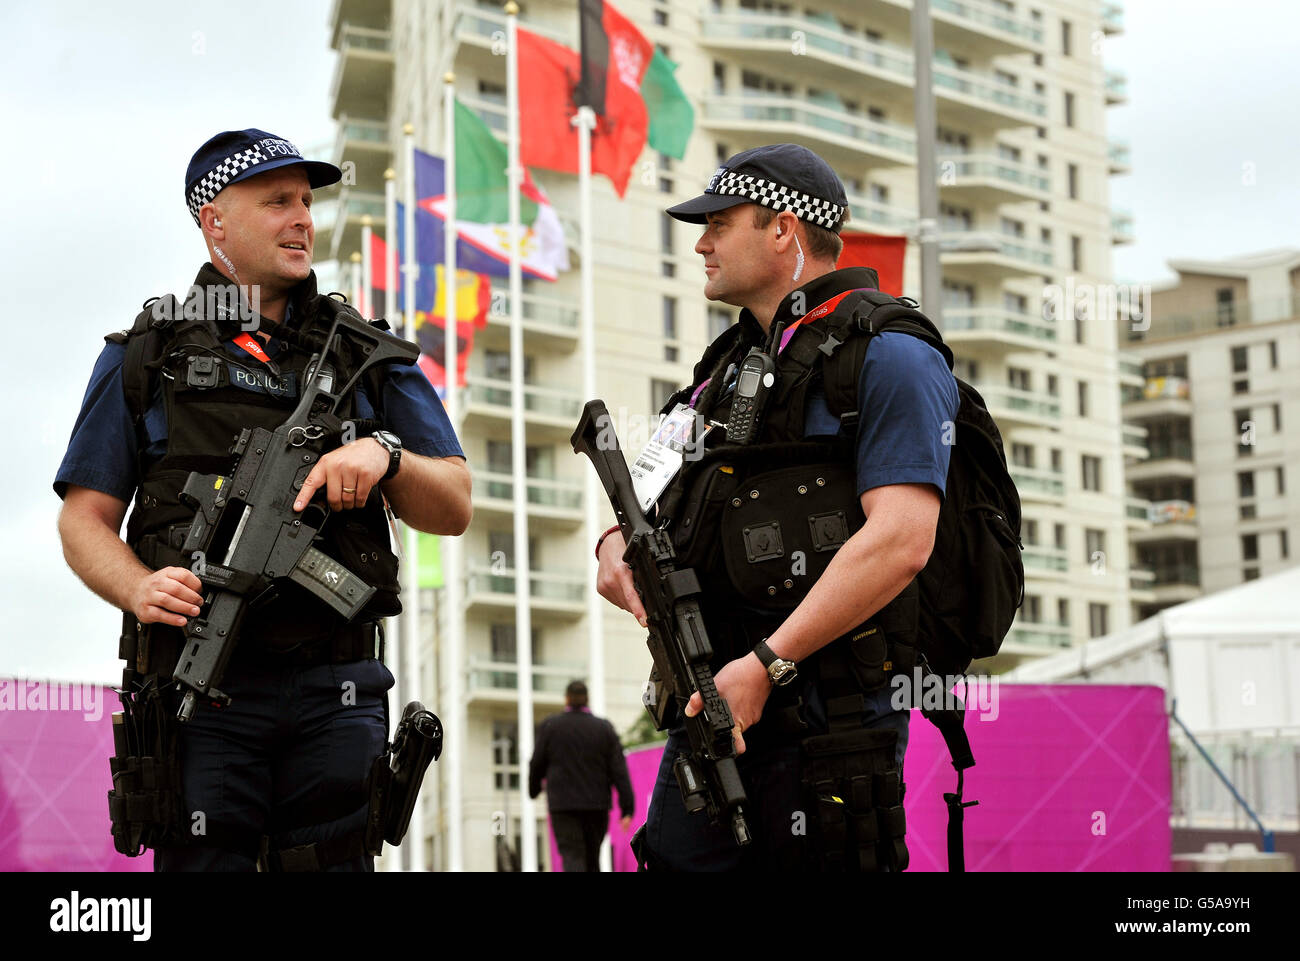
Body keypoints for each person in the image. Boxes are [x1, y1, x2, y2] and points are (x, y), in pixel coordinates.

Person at [55, 128, 472, 872]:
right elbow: (83, 519)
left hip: (335, 689)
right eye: (277, 200)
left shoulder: (363, 354)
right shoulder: (146, 354)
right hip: (201, 689)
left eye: (307, 201)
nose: (302, 218)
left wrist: (385, 455)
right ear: (215, 220)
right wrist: (141, 585)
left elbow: (453, 502)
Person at [595, 144, 959, 871]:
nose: (701, 242)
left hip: (829, 729)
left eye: (719, 223)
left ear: (783, 230)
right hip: (711, 715)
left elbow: (901, 540)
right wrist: (612, 545)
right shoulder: (721, 375)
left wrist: (765, 667)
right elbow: (646, 497)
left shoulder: (890, 355)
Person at [528, 681, 635, 872]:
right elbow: (619, 770)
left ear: (567, 699)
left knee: (572, 855)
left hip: (563, 805)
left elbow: (536, 763)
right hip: (597, 806)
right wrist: (627, 807)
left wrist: (533, 790)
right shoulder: (604, 728)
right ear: (587, 699)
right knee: (592, 857)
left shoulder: (551, 726)